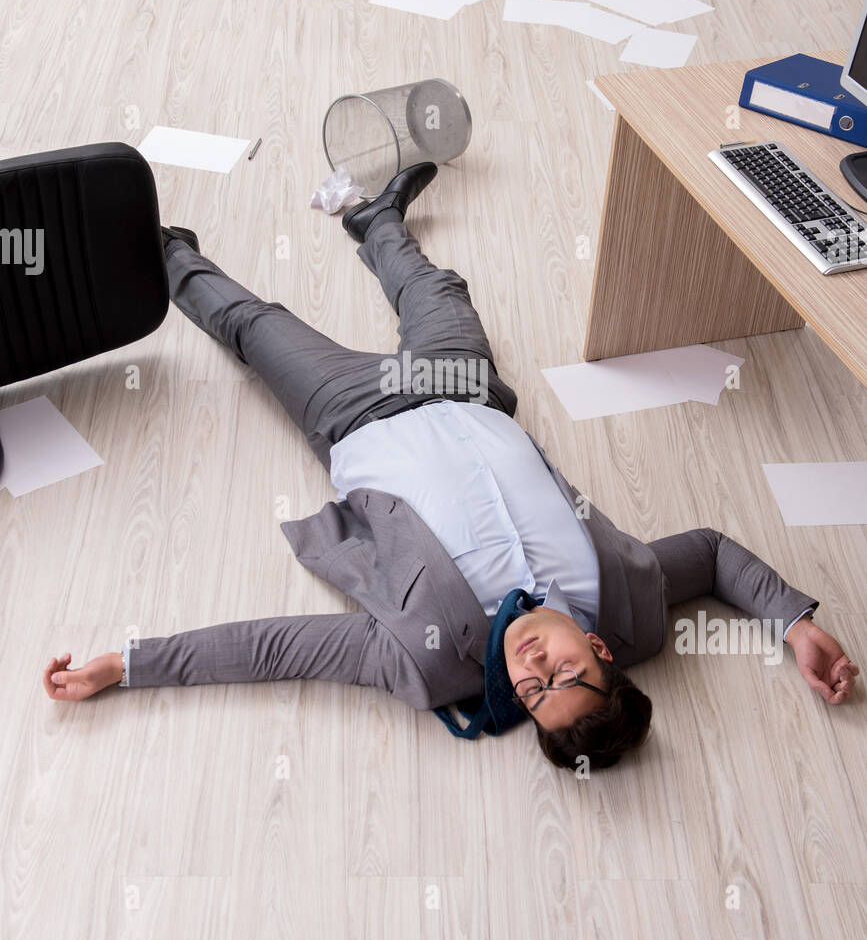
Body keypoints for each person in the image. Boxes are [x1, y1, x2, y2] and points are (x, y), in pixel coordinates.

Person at [42, 164, 858, 769]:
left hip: (355, 414)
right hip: (462, 389)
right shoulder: (634, 604)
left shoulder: (429, 661)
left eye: (533, 695)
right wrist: (794, 624)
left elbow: (277, 648)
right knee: (434, 288)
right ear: (603, 655)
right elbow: (713, 553)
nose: (533, 667)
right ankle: (373, 216)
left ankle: (157, 244)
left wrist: (127, 665)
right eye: (564, 671)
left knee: (251, 325)